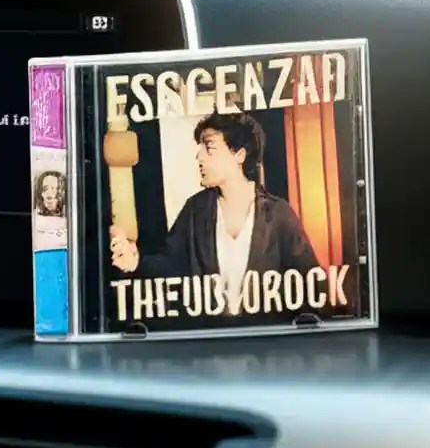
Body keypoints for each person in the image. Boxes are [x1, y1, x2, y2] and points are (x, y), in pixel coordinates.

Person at [108, 110, 320, 315]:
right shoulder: (195, 211)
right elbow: (170, 268)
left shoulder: (279, 214)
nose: (199, 157)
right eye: (200, 148)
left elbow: (312, 286)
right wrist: (136, 262)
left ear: (239, 155)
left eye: (209, 148)